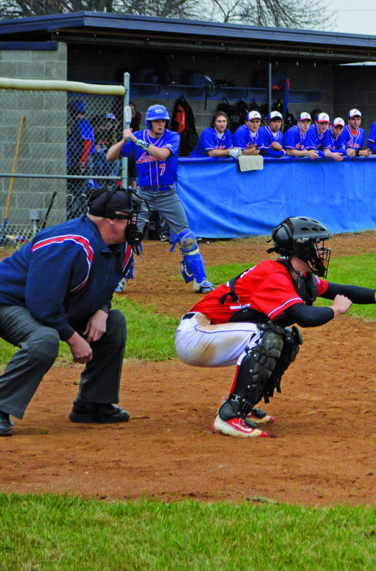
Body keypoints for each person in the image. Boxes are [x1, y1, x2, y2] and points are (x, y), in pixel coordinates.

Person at [174, 216, 376, 437]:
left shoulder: (299, 277)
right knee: (268, 338)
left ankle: (243, 406)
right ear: (301, 248)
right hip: (197, 334)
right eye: (316, 244)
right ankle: (229, 417)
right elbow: (304, 315)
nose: (320, 250)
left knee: (287, 338)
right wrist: (335, 311)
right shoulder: (273, 274)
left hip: (215, 334)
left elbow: (341, 290)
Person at [0, 185, 140, 437]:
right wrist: (73, 338)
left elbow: (105, 285)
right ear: (110, 220)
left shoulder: (122, 245)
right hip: (10, 302)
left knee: (114, 323)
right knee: (44, 339)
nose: (136, 223)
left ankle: (92, 404)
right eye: (129, 217)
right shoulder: (67, 244)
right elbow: (41, 304)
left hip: (49, 304)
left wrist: (103, 309)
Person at [106, 104, 216, 292]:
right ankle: (120, 278)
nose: (161, 124)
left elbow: (162, 155)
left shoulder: (172, 136)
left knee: (187, 237)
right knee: (129, 236)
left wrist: (136, 141)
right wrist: (125, 141)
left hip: (167, 193)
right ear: (149, 122)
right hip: (144, 194)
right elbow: (110, 156)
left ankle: (201, 280)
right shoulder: (138, 136)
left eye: (163, 121)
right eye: (157, 121)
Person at [66, 100, 96, 218]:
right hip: (77, 160)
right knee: (76, 189)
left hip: (84, 160)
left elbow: (87, 142)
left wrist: (82, 162)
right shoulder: (77, 124)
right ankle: (78, 214)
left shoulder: (83, 123)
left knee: (82, 191)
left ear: (74, 111)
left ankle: (82, 215)